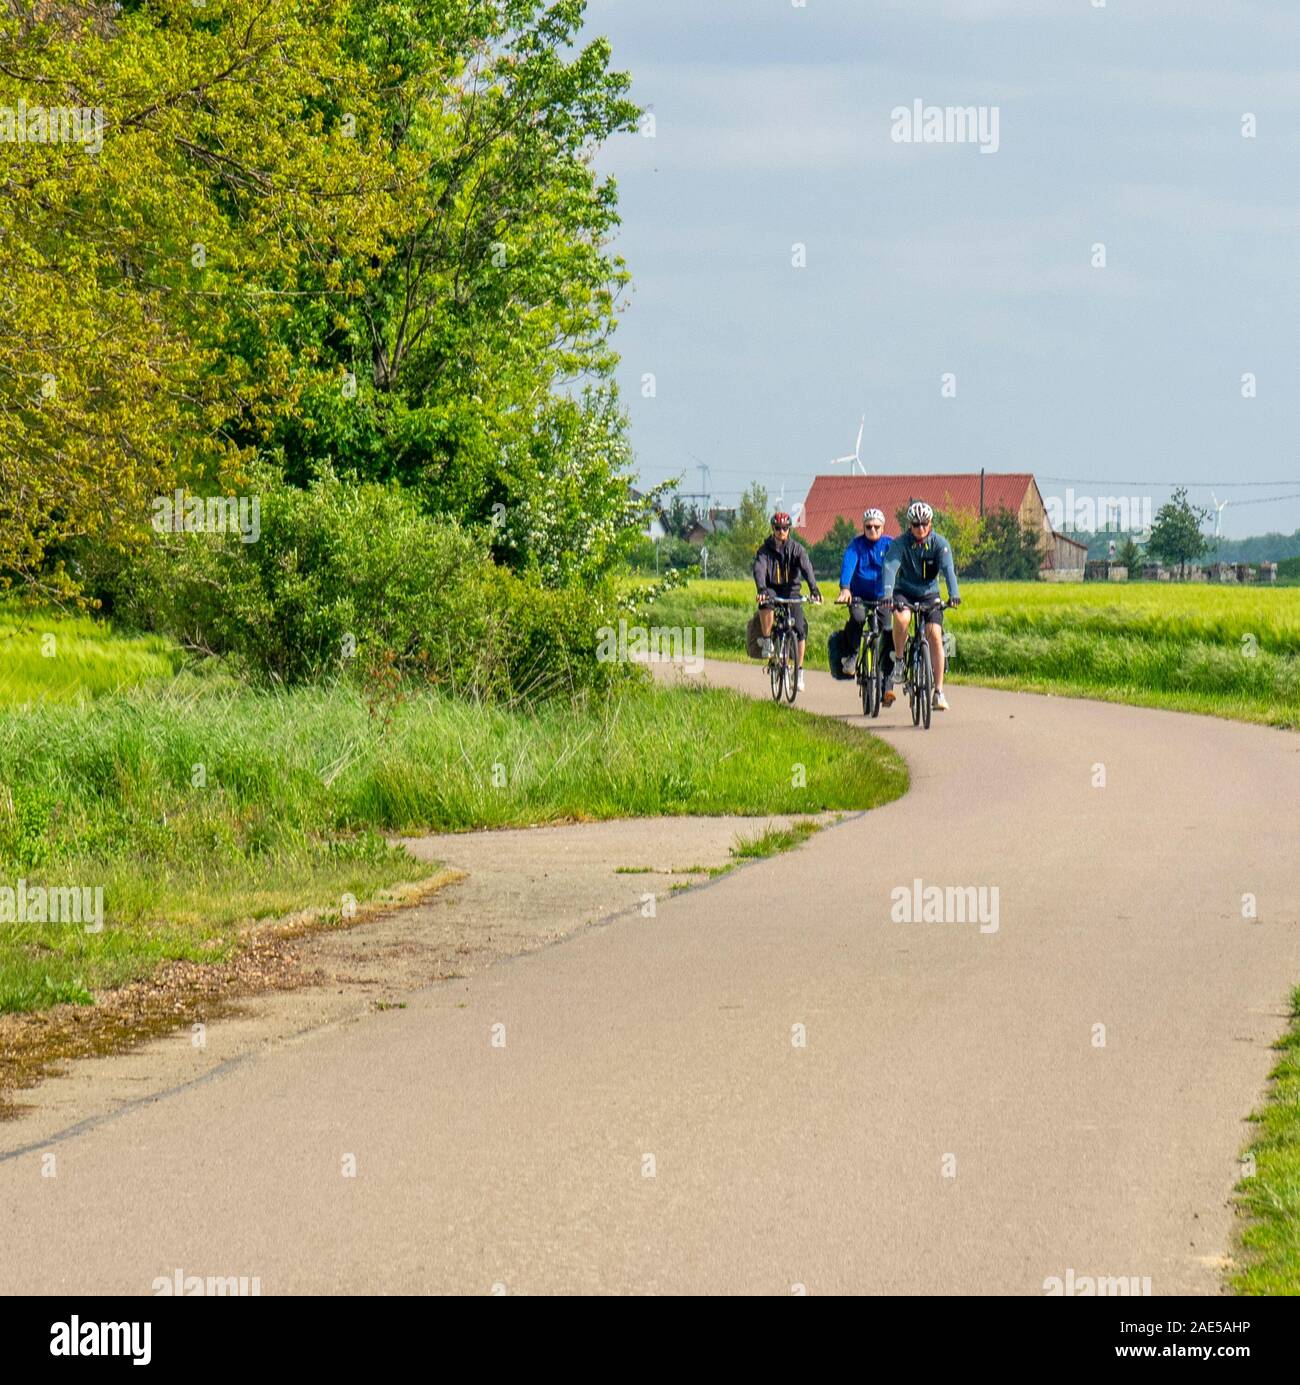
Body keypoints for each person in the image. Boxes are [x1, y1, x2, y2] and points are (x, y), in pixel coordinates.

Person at [881, 500, 960, 710]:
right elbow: (890, 567)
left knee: (934, 633)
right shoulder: (900, 543)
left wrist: (954, 595)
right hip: (904, 591)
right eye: (916, 525)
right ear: (909, 525)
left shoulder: (939, 544)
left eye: (925, 524)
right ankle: (899, 661)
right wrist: (888, 594)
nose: (921, 529)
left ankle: (939, 692)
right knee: (902, 618)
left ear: (931, 522)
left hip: (929, 593)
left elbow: (949, 570)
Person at [754, 511, 822, 692]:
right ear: (773, 529)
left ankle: (799, 671)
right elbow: (759, 569)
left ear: (789, 529)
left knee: (799, 629)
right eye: (778, 528)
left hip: (792, 590)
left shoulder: (796, 549)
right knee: (765, 602)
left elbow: (807, 568)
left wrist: (814, 589)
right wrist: (761, 589)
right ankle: (768, 641)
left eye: (785, 528)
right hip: (771, 588)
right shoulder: (764, 550)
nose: (781, 531)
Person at [834, 507, 895, 692]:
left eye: (877, 527)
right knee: (858, 618)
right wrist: (845, 588)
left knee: (888, 631)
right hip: (859, 595)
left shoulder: (890, 544)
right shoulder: (856, 545)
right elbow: (848, 565)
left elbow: (899, 566)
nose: (873, 530)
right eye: (868, 527)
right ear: (863, 527)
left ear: (883, 527)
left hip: (883, 597)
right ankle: (852, 655)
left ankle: (887, 681)